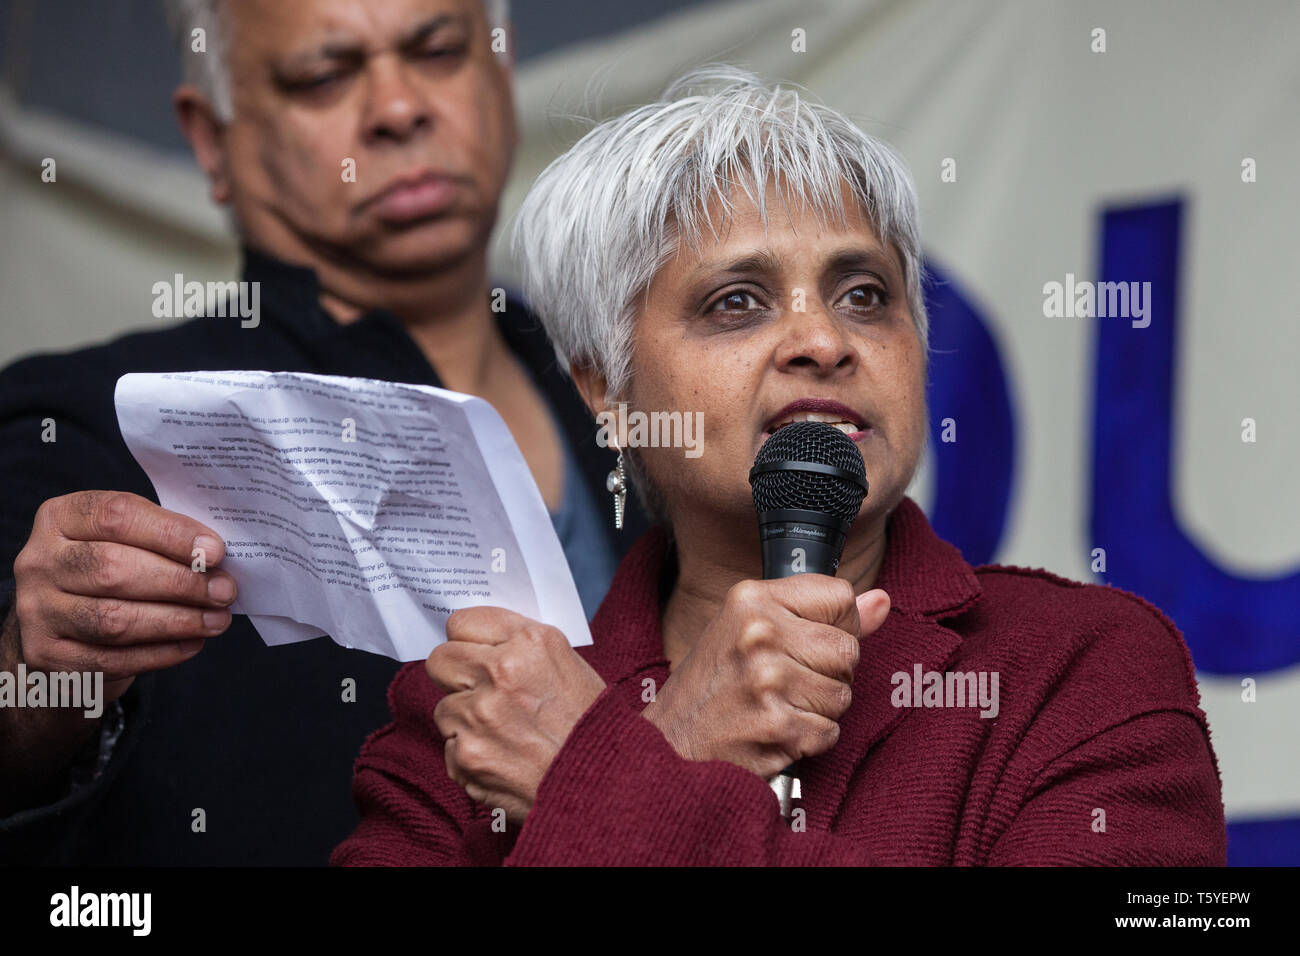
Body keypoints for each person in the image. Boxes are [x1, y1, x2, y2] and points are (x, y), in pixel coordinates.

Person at [331, 65, 1227, 866]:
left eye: (865, 295)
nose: (822, 340)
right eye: (736, 302)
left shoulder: (1082, 666)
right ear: (606, 390)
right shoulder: (479, 716)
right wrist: (663, 744)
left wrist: (599, 776)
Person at [0, 0, 644, 865]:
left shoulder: (638, 387)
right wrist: (36, 677)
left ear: (500, 67)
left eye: (439, 50)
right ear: (212, 140)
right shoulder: (88, 425)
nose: (398, 108)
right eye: (323, 77)